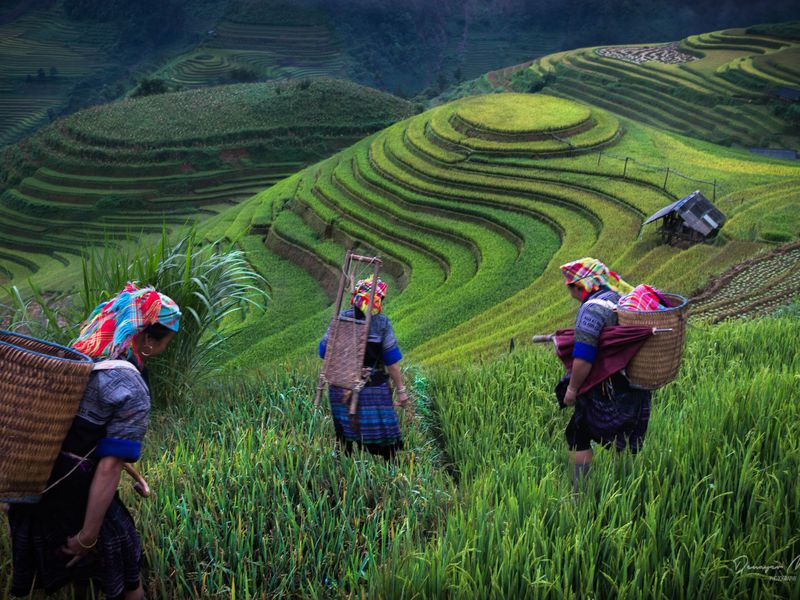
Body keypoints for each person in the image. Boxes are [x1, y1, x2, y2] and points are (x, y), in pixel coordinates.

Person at [7, 282, 181, 600]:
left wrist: (137, 478)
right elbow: (108, 463)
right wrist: (89, 534)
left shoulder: (79, 358)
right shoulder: (131, 387)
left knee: (60, 566)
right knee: (124, 565)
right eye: (167, 340)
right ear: (147, 340)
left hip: (37, 485)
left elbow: (84, 439)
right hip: (76, 493)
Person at [559, 258, 652, 493]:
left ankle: (580, 495)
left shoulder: (592, 309)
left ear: (580, 286)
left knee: (576, 434)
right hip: (637, 388)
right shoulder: (619, 299)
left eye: (569, 286)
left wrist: (571, 390)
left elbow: (584, 356)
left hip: (609, 391)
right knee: (626, 441)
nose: (568, 291)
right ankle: (628, 490)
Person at [319, 276, 410, 460]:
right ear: (378, 301)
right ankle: (389, 476)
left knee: (344, 441)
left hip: (340, 388)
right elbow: (391, 361)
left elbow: (323, 351)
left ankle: (345, 470)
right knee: (386, 447)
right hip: (371, 389)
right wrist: (401, 390)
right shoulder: (381, 324)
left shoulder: (340, 318)